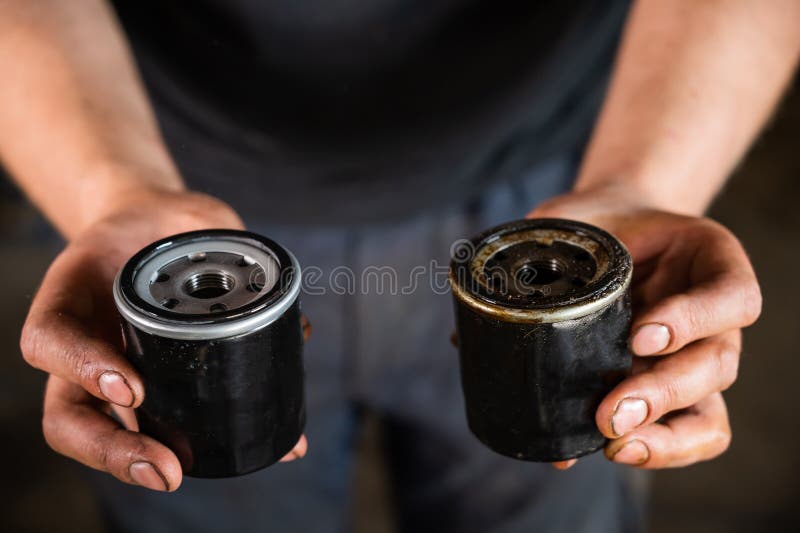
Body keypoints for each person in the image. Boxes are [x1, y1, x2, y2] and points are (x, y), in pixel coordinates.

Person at [1, 0, 789, 531]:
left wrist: (643, 184)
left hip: (563, 207)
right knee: (195, 486)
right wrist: (109, 188)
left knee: (550, 482)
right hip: (155, 191)